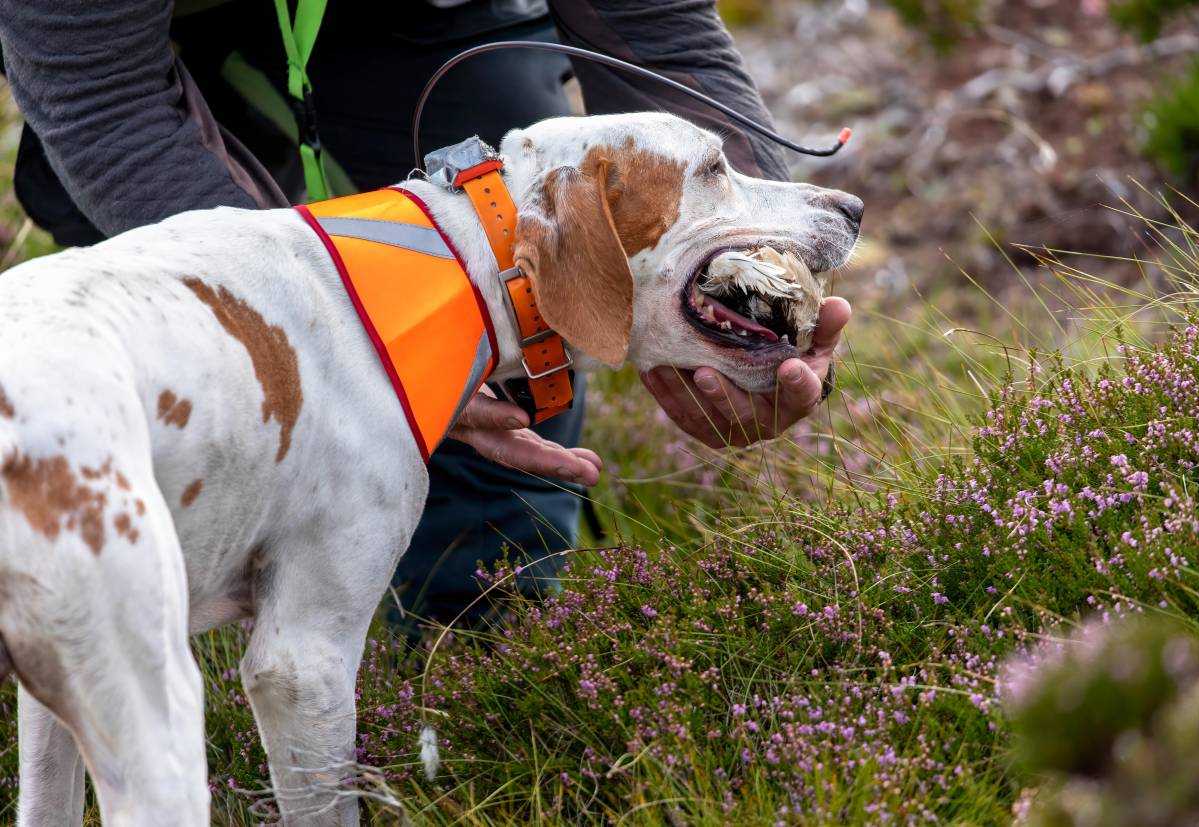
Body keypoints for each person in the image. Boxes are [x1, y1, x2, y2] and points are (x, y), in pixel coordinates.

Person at [0, 0, 851, 625]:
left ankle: (475, 638)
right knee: (201, 325)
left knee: (517, 235)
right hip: (131, 43)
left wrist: (748, 272)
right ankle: (149, 586)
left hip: (411, 21)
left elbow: (658, 30)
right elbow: (101, 95)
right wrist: (339, 338)